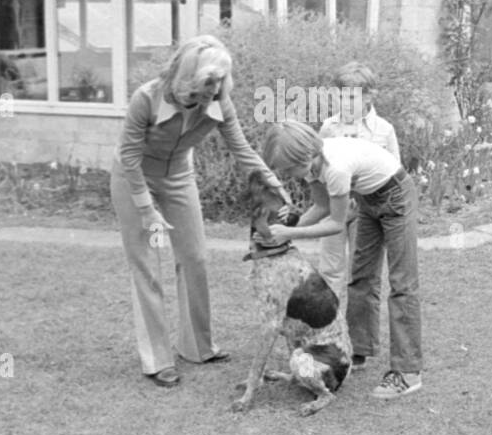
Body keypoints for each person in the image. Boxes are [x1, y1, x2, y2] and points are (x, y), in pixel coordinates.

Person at [111, 35, 290, 388]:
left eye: (222, 80)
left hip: (178, 174)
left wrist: (273, 184)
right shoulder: (146, 98)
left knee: (195, 258)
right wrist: (147, 211)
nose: (217, 88)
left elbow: (241, 149)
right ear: (190, 77)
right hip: (134, 177)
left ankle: (197, 346)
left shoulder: (221, 103)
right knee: (146, 265)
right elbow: (129, 156)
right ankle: (157, 359)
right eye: (209, 81)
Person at [260, 122, 423, 399]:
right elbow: (321, 207)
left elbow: (336, 223)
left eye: (287, 169)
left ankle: (407, 372)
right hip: (368, 200)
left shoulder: (335, 168)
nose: (285, 175)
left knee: (402, 284)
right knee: (361, 278)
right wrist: (290, 232)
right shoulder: (314, 167)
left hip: (396, 196)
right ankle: (357, 351)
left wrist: (291, 232)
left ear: (304, 157)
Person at [317, 62, 401, 365]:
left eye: (352, 97)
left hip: (367, 211)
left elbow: (394, 174)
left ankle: (360, 345)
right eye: (341, 96)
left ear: (368, 97)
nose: (346, 103)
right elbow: (320, 169)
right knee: (329, 271)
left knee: (362, 275)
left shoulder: (384, 130)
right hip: (335, 208)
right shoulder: (328, 127)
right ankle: (325, 336)